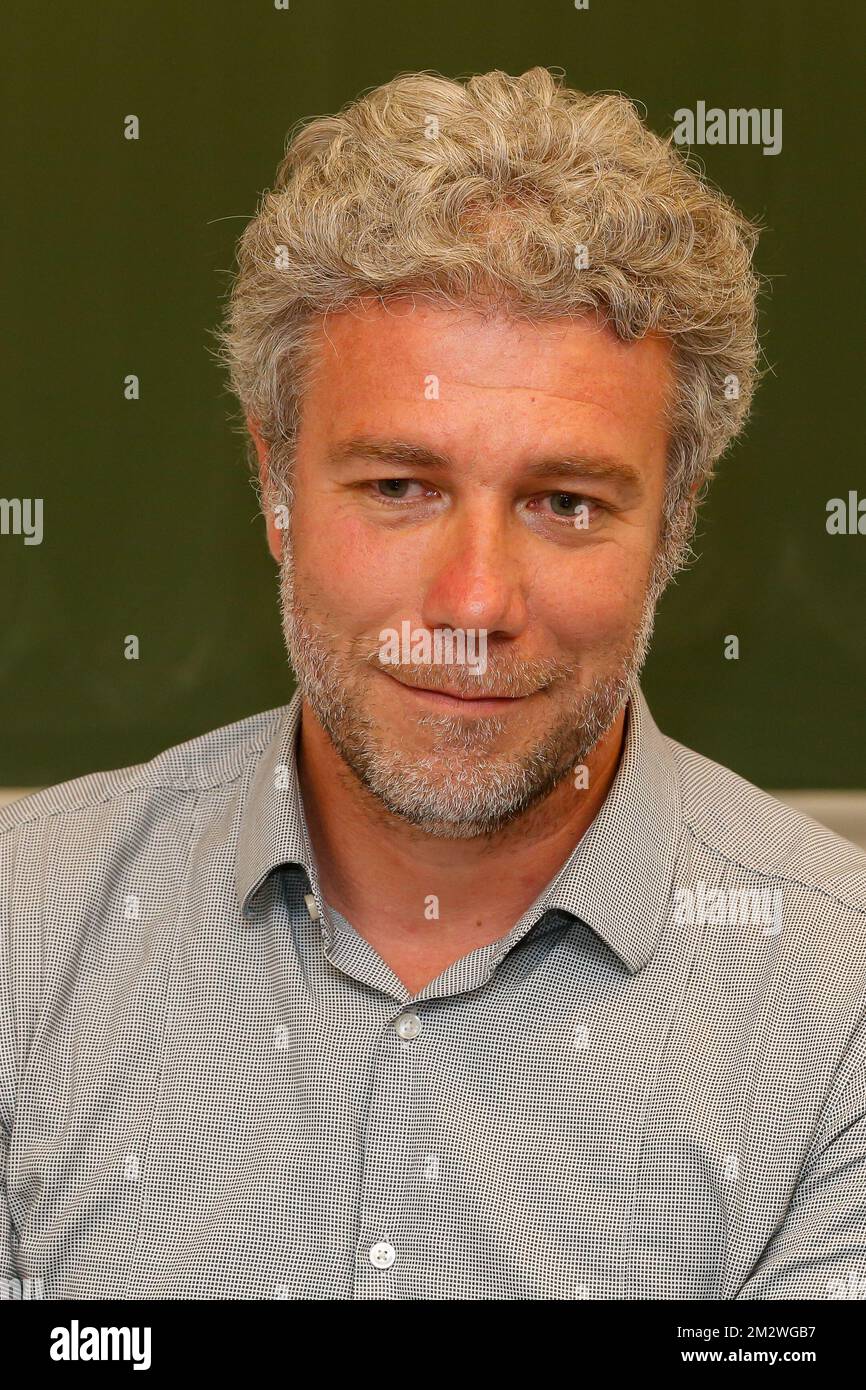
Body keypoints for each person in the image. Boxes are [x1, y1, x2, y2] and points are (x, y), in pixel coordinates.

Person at [2, 67, 865, 1301]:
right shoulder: (24, 935)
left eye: (564, 503)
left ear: (674, 522)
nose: (473, 604)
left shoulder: (841, 1011)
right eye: (399, 488)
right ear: (273, 484)